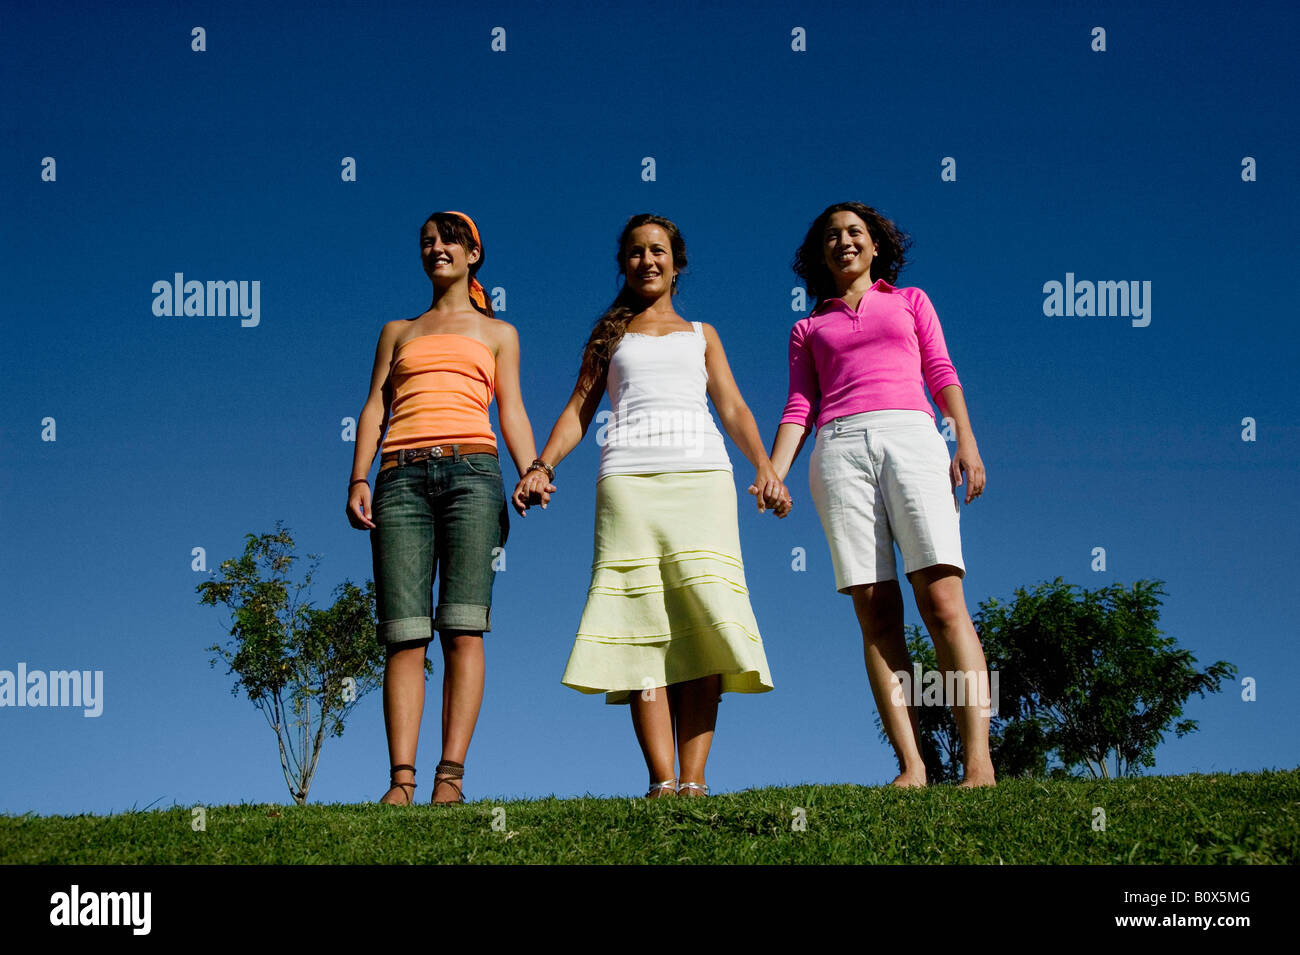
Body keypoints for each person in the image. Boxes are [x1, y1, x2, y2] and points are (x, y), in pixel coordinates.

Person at [513, 213, 786, 798]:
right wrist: (541, 465)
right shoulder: (608, 335)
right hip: (627, 483)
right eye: (635, 252)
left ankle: (695, 780)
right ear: (624, 264)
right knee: (640, 626)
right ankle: (662, 780)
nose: (647, 261)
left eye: (658, 251)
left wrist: (764, 466)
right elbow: (578, 411)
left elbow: (733, 408)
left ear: (677, 262)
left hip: (703, 478)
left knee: (705, 616)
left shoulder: (703, 334)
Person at [763, 201, 996, 788]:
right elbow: (801, 407)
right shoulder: (807, 328)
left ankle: (979, 762)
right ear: (821, 255)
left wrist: (965, 440)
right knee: (876, 612)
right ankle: (912, 766)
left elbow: (941, 370)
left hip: (913, 437)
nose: (844, 242)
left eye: (854, 233)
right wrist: (775, 470)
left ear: (874, 246)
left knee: (942, 600)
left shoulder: (910, 301)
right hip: (839, 451)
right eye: (832, 237)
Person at [346, 210, 542, 804]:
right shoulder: (396, 331)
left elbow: (510, 408)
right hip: (398, 479)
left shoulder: (499, 333)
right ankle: (400, 783)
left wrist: (533, 468)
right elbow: (375, 408)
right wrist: (359, 476)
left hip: (473, 474)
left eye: (449, 240)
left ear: (473, 254)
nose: (437, 248)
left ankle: (449, 779)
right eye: (427, 241)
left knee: (463, 627)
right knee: (403, 635)